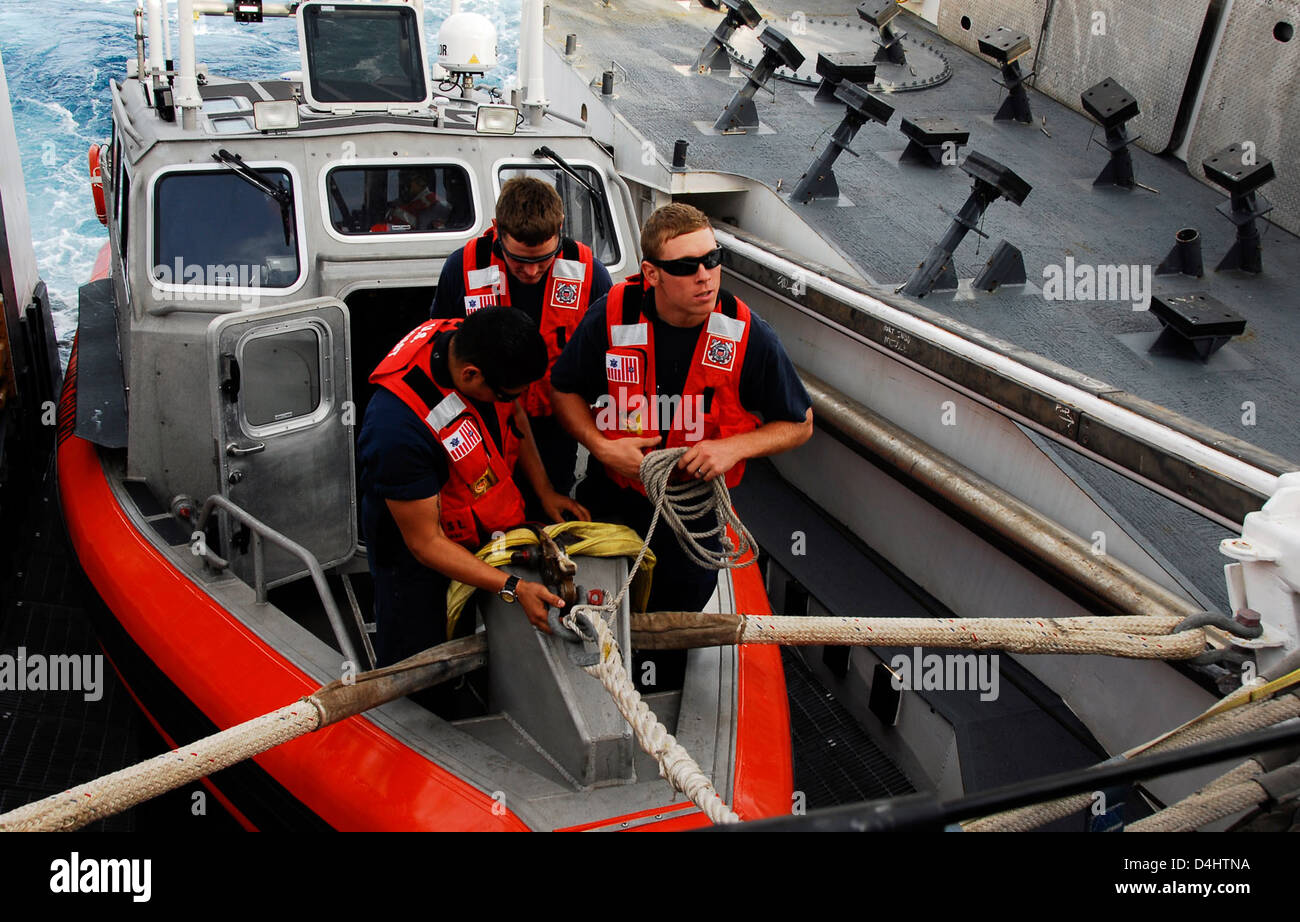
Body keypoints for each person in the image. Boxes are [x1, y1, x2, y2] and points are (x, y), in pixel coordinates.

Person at [550, 203, 813, 615]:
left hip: (693, 513)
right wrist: (599, 447)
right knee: (596, 607)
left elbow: (799, 425)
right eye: (687, 266)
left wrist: (733, 448)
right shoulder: (612, 315)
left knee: (676, 613)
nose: (705, 276)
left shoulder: (749, 336)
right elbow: (564, 390)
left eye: (712, 260)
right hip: (614, 497)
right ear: (652, 273)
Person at [358, 306, 589, 672]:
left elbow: (515, 414)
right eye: (506, 393)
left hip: (476, 528)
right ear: (471, 375)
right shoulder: (396, 433)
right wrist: (513, 587)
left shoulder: (472, 344)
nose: (515, 399)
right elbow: (425, 543)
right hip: (416, 560)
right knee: (420, 662)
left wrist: (544, 491)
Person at [431, 176, 613, 514]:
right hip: (482, 420)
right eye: (519, 260)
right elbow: (438, 344)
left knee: (548, 507)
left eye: (543, 260)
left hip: (554, 426)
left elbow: (607, 359)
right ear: (497, 229)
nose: (531, 272)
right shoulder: (461, 268)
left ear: (560, 227)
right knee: (481, 509)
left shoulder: (592, 276)